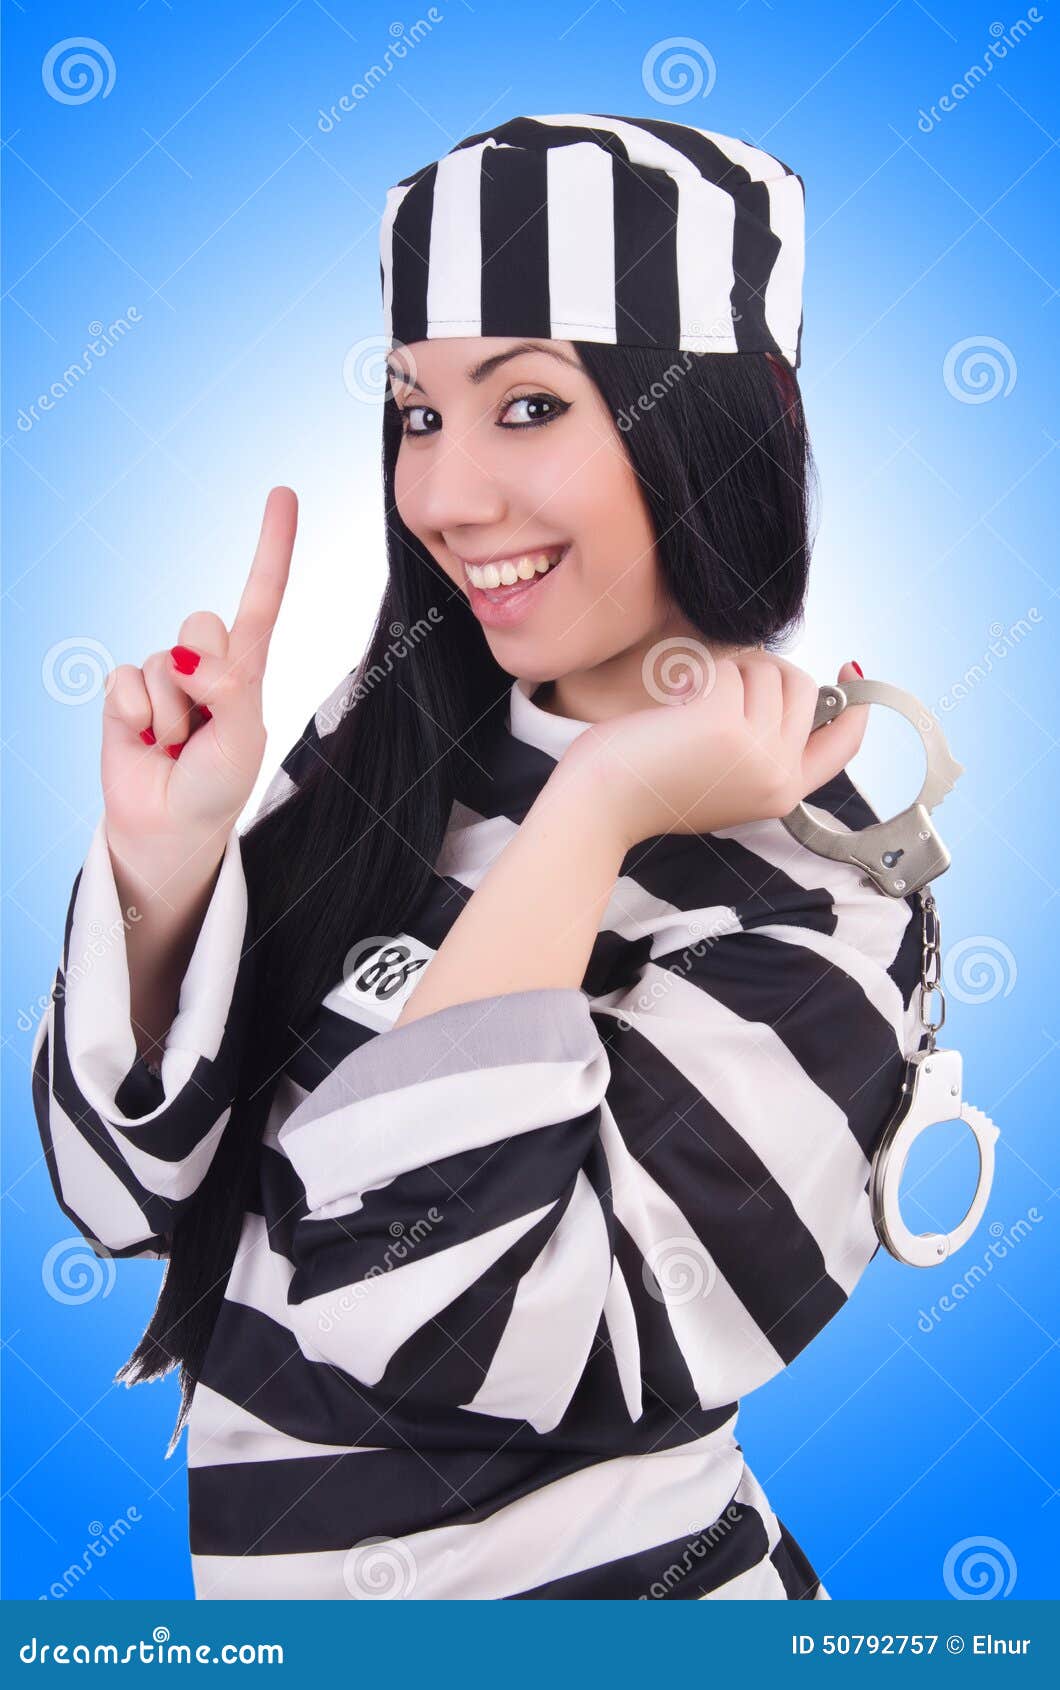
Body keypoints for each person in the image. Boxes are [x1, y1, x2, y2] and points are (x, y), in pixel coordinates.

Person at [31, 114, 925, 1600]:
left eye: (526, 406)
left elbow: (434, 1310)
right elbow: (121, 1201)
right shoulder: (397, 748)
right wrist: (164, 869)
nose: (441, 493)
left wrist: (599, 808)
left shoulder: (829, 904)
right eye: (417, 408)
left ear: (717, 422)